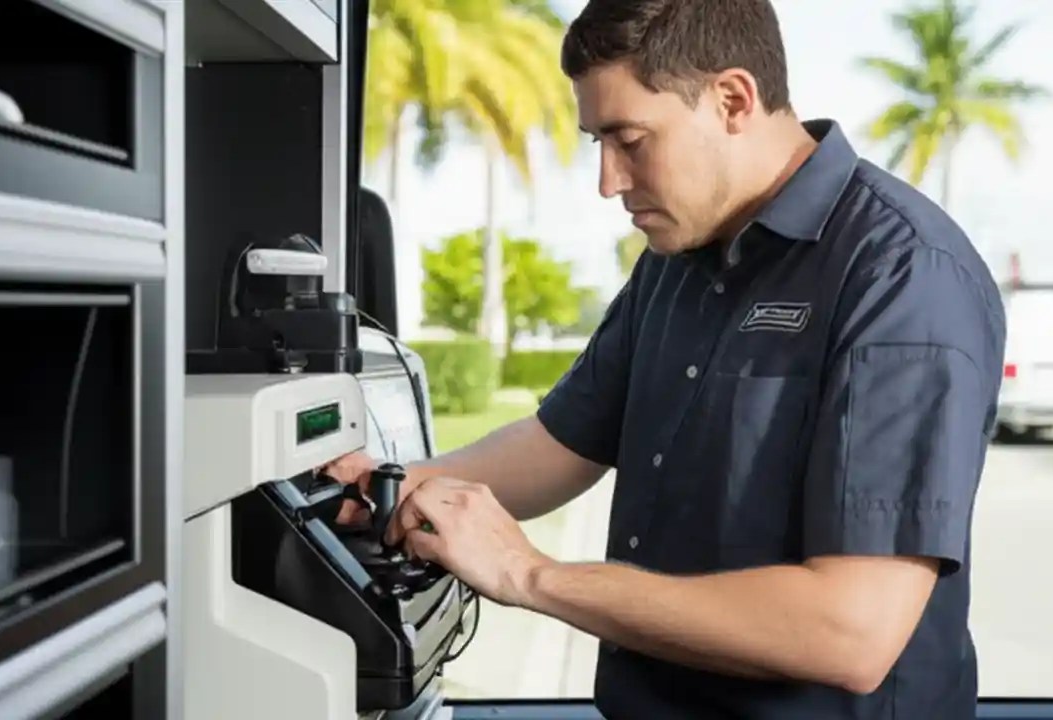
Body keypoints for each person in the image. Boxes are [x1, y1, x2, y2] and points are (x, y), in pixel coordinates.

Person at [328, 0, 1006, 717]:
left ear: (733, 100)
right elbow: (562, 443)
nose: (608, 181)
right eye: (597, 142)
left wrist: (527, 573)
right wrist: (388, 487)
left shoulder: (901, 275)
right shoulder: (676, 258)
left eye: (630, 140)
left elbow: (849, 632)